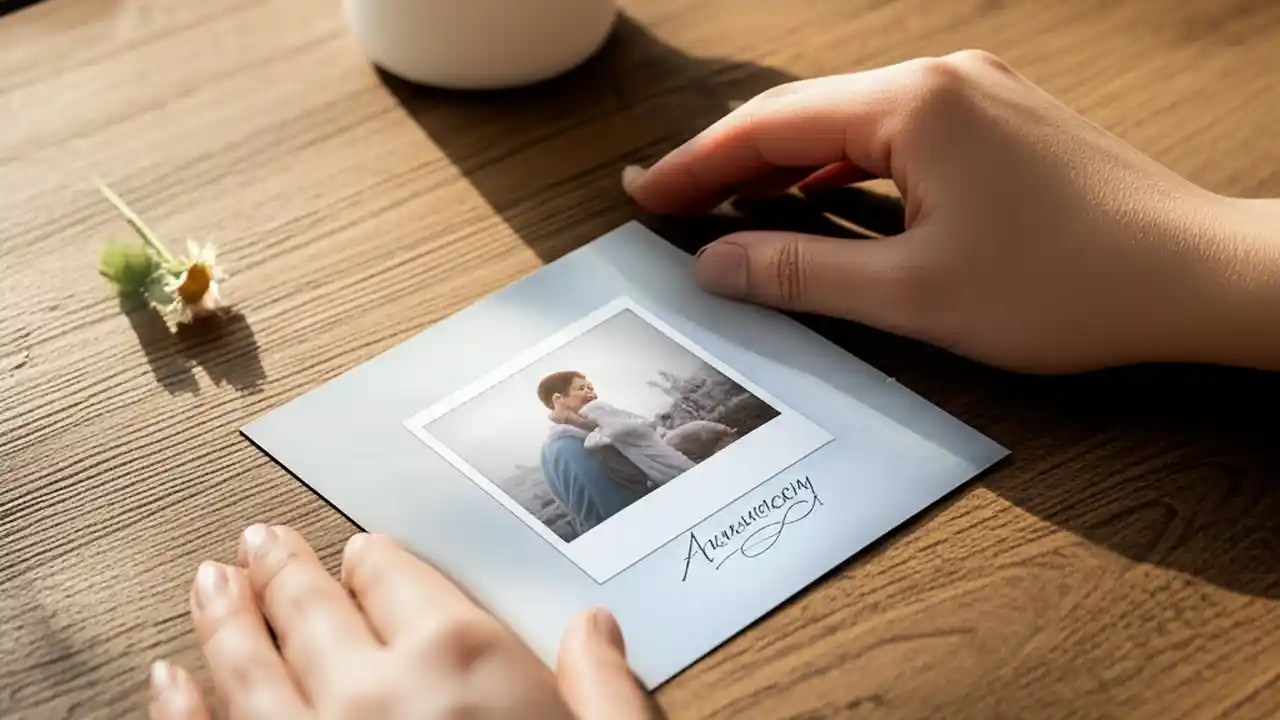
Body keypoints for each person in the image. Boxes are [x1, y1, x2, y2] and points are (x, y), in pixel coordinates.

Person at [152, 51, 1279, 719]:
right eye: (565, 390)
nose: (578, 396)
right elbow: (604, 498)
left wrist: (1211, 256)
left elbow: (668, 437)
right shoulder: (564, 450)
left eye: (580, 384)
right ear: (548, 406)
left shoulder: (631, 412)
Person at [539, 370, 696, 488]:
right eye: (581, 388)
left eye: (590, 388)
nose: (590, 392)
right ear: (558, 399)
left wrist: (566, 417)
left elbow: (609, 431)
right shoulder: (570, 439)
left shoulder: (600, 413)